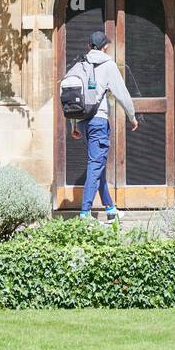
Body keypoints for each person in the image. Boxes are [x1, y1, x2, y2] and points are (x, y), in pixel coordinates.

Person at [71, 29, 138, 222]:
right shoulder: (108, 65)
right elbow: (122, 93)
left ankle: (110, 209)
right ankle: (85, 213)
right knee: (95, 164)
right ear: (105, 47)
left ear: (89, 46)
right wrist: (132, 116)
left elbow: (75, 95)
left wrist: (74, 125)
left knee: (96, 164)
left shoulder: (80, 64)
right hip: (98, 121)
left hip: (83, 122)